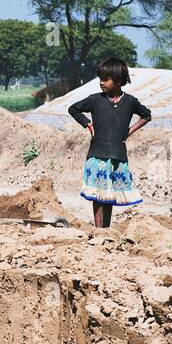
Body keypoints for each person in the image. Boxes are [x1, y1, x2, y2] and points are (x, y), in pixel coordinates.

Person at [67, 57, 151, 228]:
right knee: (98, 194)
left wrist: (129, 131)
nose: (101, 83)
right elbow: (73, 109)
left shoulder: (130, 102)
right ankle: (99, 229)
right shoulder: (95, 100)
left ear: (119, 80)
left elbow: (146, 115)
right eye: (100, 79)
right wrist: (88, 125)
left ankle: (106, 228)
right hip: (97, 153)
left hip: (117, 154)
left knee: (109, 193)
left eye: (105, 79)